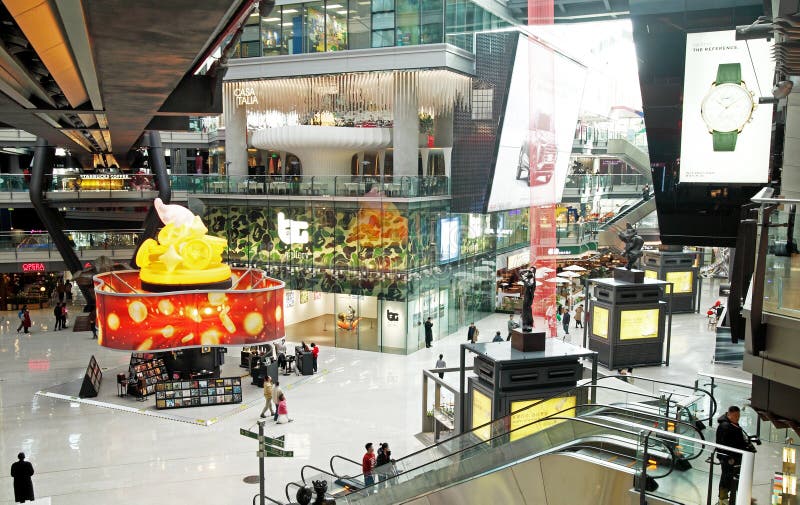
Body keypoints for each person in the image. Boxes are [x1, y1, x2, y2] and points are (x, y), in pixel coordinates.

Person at [716, 406, 755, 504]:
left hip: (733, 457)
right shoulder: (725, 427)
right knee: (726, 476)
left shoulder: (732, 424)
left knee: (730, 476)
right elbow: (724, 444)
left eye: (738, 415)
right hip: (728, 458)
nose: (737, 418)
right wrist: (730, 457)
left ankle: (727, 496)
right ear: (729, 415)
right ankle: (723, 498)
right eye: (735, 416)